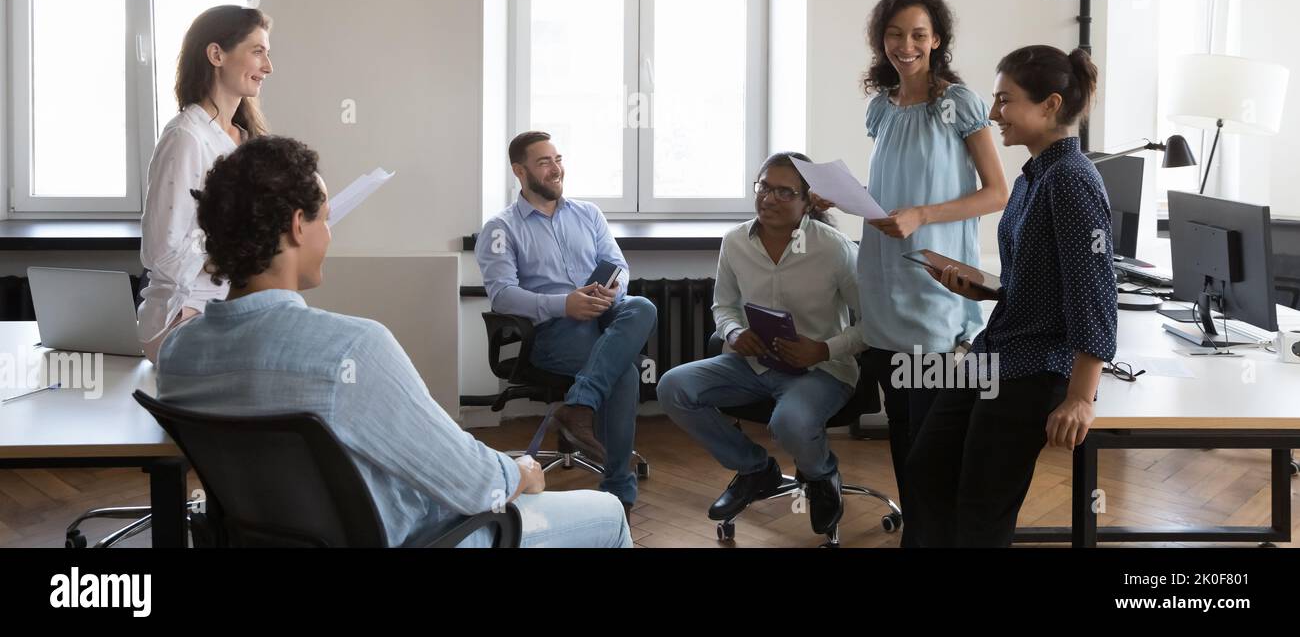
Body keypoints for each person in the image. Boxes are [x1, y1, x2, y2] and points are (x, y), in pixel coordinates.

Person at [157, 135, 630, 548]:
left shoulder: (179, 354)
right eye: (325, 217)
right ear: (298, 226)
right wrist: (520, 471)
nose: (330, 232)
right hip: (424, 538)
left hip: (283, 538)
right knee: (607, 514)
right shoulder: (353, 349)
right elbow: (473, 485)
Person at [816, 0, 1008, 545]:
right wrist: (845, 197)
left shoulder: (960, 103)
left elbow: (997, 192)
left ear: (937, 40)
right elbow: (891, 189)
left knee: (933, 439)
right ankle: (920, 535)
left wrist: (924, 214)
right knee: (901, 429)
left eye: (918, 34)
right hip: (882, 284)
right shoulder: (881, 107)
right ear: (882, 40)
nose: (906, 45)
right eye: (896, 34)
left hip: (936, 290)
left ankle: (932, 537)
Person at [906, 45, 1118, 547]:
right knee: (927, 470)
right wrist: (983, 288)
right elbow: (1039, 277)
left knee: (982, 508)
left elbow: (1094, 294)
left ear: (1049, 105)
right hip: (997, 352)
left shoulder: (1069, 180)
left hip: (1034, 367)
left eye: (1005, 100)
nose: (994, 113)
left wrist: (1081, 397)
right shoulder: (1034, 175)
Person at [656, 153, 863, 536]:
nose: (769, 198)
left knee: (789, 422)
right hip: (752, 365)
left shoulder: (835, 249)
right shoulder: (735, 241)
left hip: (819, 371)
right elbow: (724, 306)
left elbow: (874, 323)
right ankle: (755, 469)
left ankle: (821, 475)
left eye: (785, 192)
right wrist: (734, 333)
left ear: (808, 200)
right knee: (673, 386)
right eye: (764, 186)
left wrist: (823, 349)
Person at [475, 131, 657, 520]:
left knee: (642, 306)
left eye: (558, 159)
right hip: (554, 330)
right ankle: (617, 490)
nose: (556, 169)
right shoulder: (500, 228)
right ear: (519, 171)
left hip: (604, 313)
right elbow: (503, 295)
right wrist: (565, 304)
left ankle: (578, 403)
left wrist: (612, 290)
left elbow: (619, 265)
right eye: (544, 162)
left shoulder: (588, 214)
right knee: (623, 372)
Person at [138, 6, 274, 363]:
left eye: (267, 54)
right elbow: (163, 251)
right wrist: (233, 252)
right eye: (257, 52)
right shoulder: (186, 137)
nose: (268, 67)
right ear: (216, 54)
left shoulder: (244, 140)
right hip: (185, 314)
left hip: (227, 306)